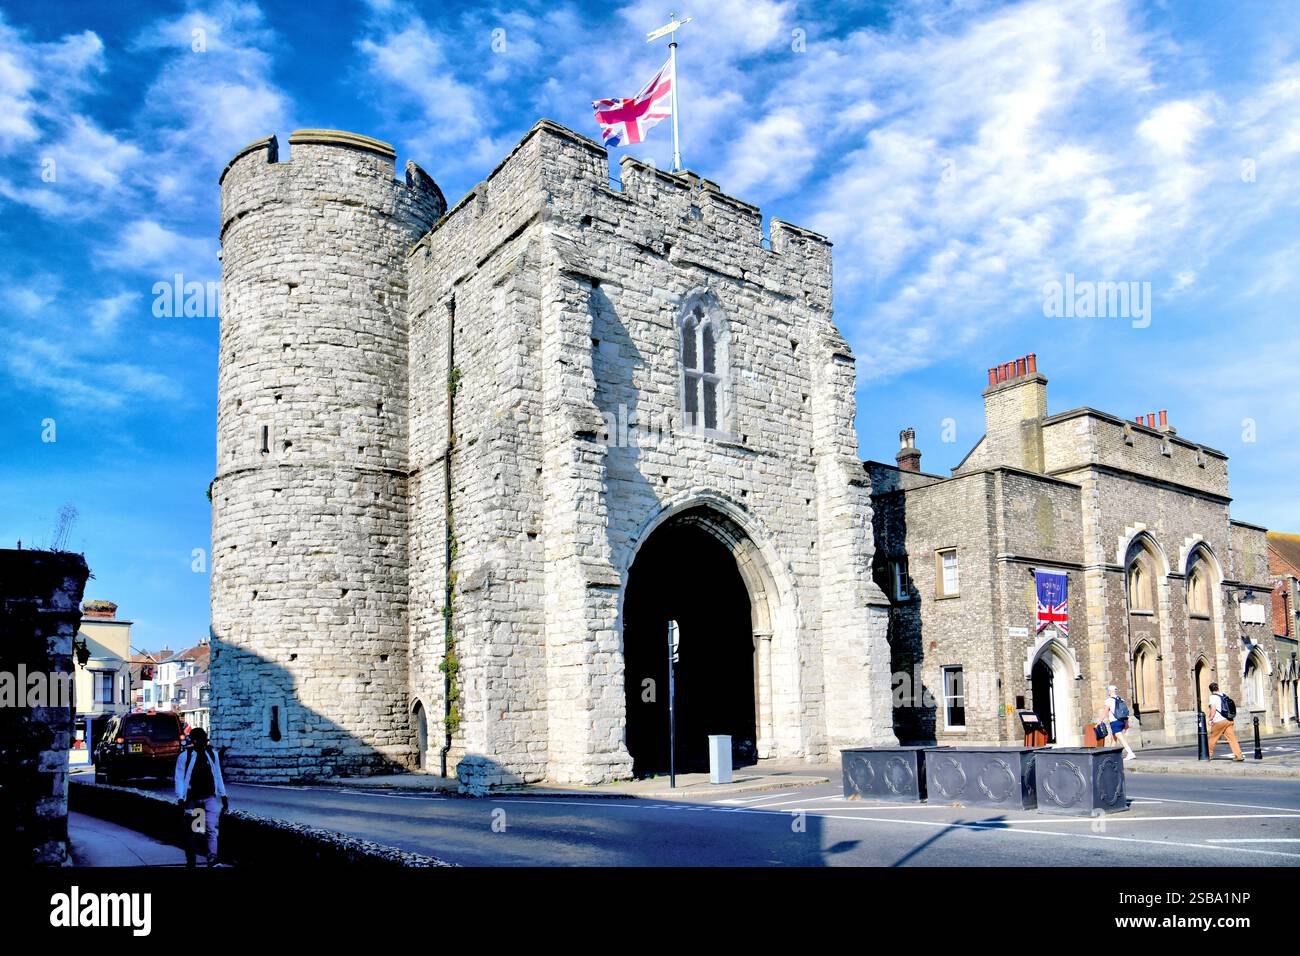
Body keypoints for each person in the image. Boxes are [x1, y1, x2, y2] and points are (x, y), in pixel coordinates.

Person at [174, 727, 228, 866]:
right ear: (194, 741)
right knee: (195, 831)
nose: (203, 742)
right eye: (200, 739)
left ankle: (212, 858)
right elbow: (179, 778)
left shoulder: (212, 754)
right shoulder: (185, 756)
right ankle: (192, 858)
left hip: (209, 797)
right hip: (193, 799)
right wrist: (180, 797)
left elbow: (217, 775)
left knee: (211, 829)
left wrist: (223, 795)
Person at [1206, 681, 1245, 762]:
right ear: (1218, 688)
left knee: (1213, 738)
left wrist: (1210, 719)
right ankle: (1239, 755)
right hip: (1228, 719)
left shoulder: (1212, 697)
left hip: (1219, 721)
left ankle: (1208, 755)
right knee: (1232, 739)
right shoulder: (1223, 695)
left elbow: (1213, 709)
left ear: (1210, 690)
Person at [1102, 684, 1136, 761]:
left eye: (1108, 691)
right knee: (1113, 739)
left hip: (1114, 722)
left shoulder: (1108, 700)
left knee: (1121, 738)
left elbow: (1105, 712)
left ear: (1110, 691)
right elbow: (1125, 713)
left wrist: (1099, 721)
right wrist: (1126, 724)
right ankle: (1110, 756)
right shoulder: (1121, 700)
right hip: (1122, 721)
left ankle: (1130, 753)